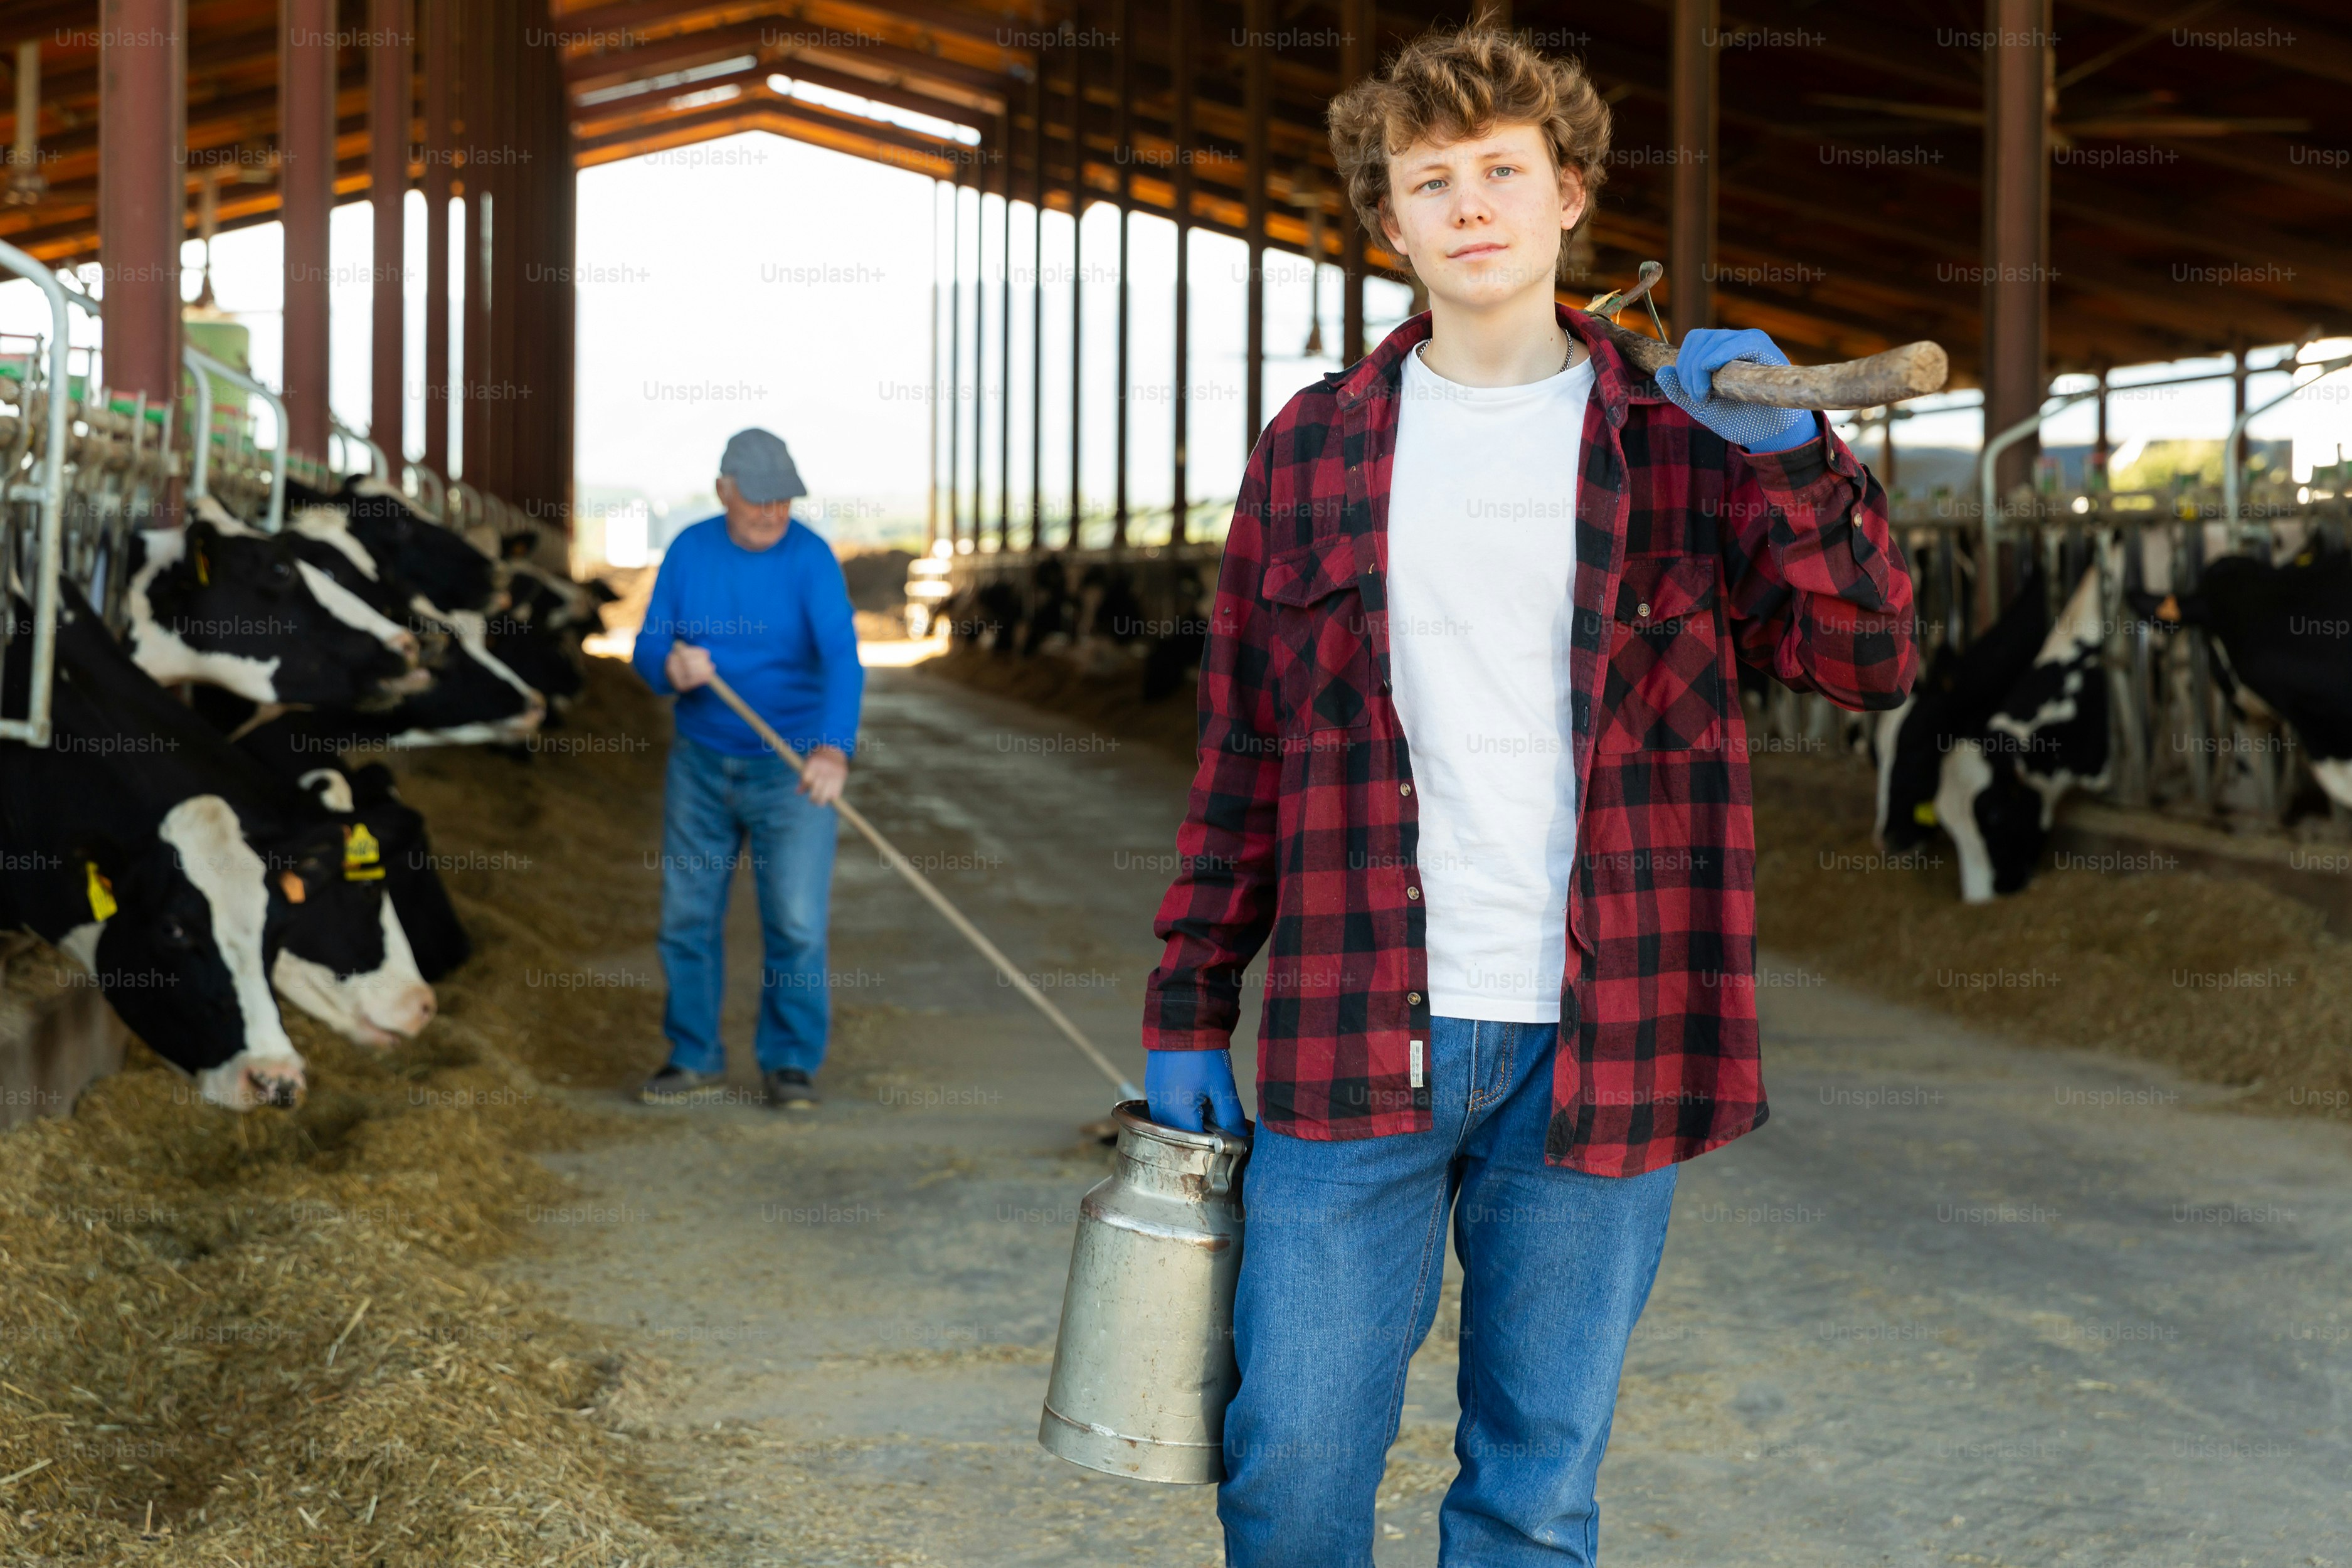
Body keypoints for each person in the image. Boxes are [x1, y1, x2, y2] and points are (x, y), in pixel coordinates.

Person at [1139, 23, 1915, 1567]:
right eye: (1429, 181)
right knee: (1287, 1459)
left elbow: (1869, 660)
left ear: (1570, 195)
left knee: (1530, 1489)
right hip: (1354, 1021)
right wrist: (1183, 1002)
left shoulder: (1686, 443)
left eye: (1502, 170)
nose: (1468, 204)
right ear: (1390, 223)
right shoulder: (1310, 450)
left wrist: (1789, 459)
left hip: (1603, 1036)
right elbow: (1242, 750)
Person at [633, 429, 862, 1110]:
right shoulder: (689, 551)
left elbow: (843, 660)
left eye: (784, 500)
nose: (771, 514)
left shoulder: (811, 559)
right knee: (687, 915)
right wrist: (669, 668)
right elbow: (649, 646)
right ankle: (693, 1053)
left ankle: (790, 1061)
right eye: (757, 499)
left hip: (788, 770)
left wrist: (832, 748)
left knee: (794, 919)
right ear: (723, 491)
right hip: (702, 763)